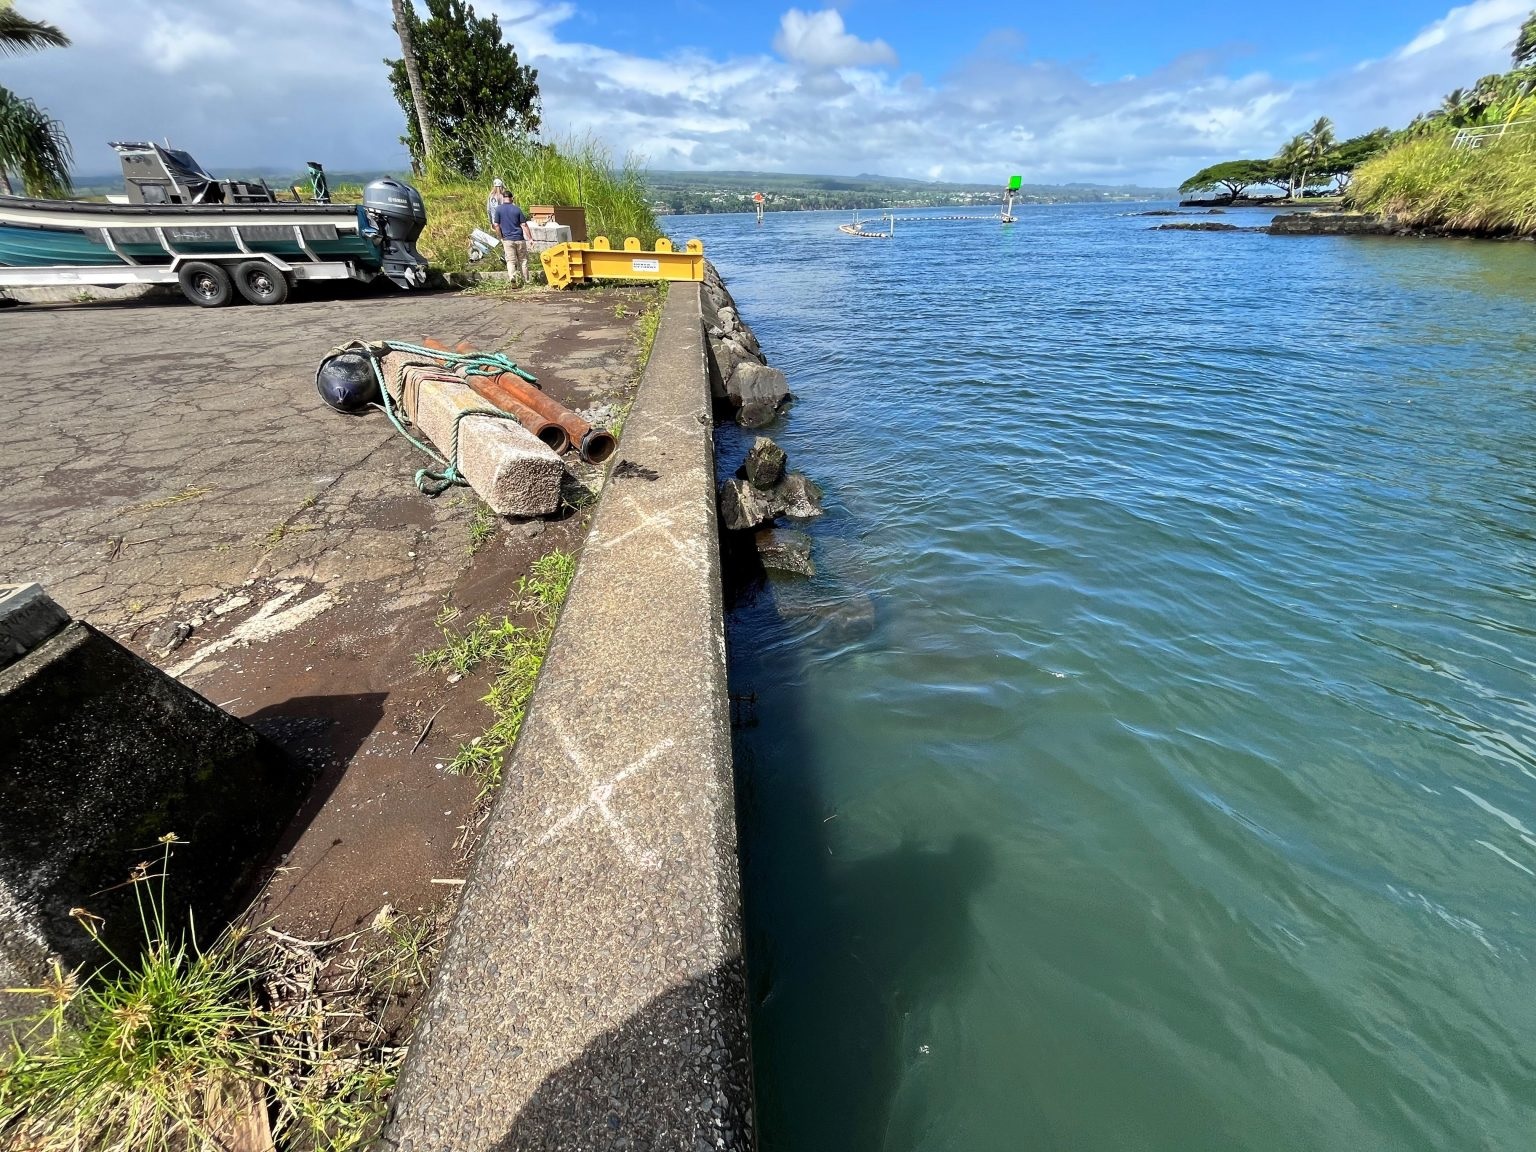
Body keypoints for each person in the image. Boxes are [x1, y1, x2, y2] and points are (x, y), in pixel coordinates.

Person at [493, 193, 532, 283]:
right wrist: (530, 238)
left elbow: (496, 225)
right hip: (519, 239)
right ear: (512, 198)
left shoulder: (499, 209)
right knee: (523, 261)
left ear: (503, 198)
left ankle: (512, 278)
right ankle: (526, 281)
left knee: (510, 261)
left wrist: (500, 237)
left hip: (508, 240)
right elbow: (524, 225)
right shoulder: (517, 209)